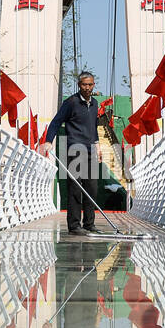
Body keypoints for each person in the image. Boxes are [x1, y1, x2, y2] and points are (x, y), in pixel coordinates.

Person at [43, 71, 101, 235]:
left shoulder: (95, 103)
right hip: (74, 149)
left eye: (90, 85)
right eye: (84, 85)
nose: (87, 88)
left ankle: (89, 224)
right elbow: (56, 122)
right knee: (75, 187)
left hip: (90, 150)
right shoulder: (71, 102)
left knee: (92, 188)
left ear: (93, 85)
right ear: (79, 85)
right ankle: (74, 225)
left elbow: (93, 127)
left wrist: (97, 145)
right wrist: (49, 141)